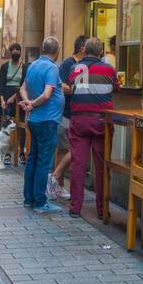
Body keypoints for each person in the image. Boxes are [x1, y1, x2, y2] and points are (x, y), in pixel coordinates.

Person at [67, 36, 117, 219]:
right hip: (101, 122)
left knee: (78, 165)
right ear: (101, 52)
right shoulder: (109, 70)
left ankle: (75, 207)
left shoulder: (76, 68)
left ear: (85, 51)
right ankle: (103, 209)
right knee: (102, 166)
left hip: (79, 121)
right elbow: (116, 87)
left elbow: (72, 85)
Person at [19, 36, 64, 213]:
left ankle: (28, 198)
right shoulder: (52, 68)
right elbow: (47, 95)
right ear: (57, 51)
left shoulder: (33, 65)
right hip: (47, 120)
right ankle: (40, 201)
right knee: (44, 162)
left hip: (35, 120)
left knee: (33, 159)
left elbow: (23, 88)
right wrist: (32, 104)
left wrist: (27, 101)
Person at [51, 34, 86, 200]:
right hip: (66, 113)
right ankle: (57, 183)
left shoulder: (85, 65)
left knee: (68, 149)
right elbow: (61, 85)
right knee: (66, 149)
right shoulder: (68, 63)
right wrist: (75, 89)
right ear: (82, 48)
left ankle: (57, 184)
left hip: (77, 113)